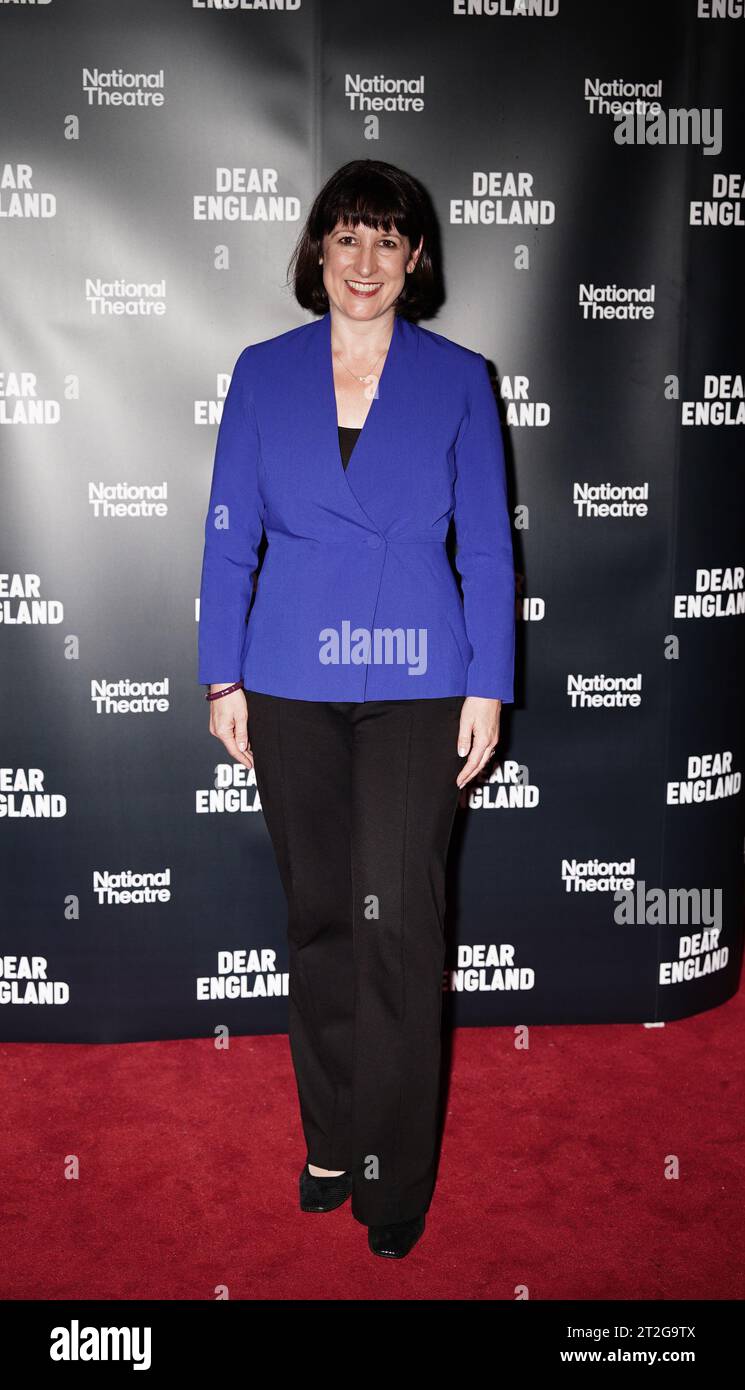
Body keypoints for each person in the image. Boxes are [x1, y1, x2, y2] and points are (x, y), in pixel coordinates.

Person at [197, 159, 515, 1260]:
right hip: (287, 677)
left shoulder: (460, 377)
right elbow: (230, 530)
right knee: (323, 918)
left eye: (388, 240)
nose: (365, 262)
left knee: (398, 926)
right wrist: (221, 676)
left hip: (421, 680)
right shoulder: (261, 371)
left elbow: (484, 539)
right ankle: (331, 1135)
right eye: (346, 239)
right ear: (317, 253)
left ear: (416, 258)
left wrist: (488, 682)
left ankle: (392, 1170)